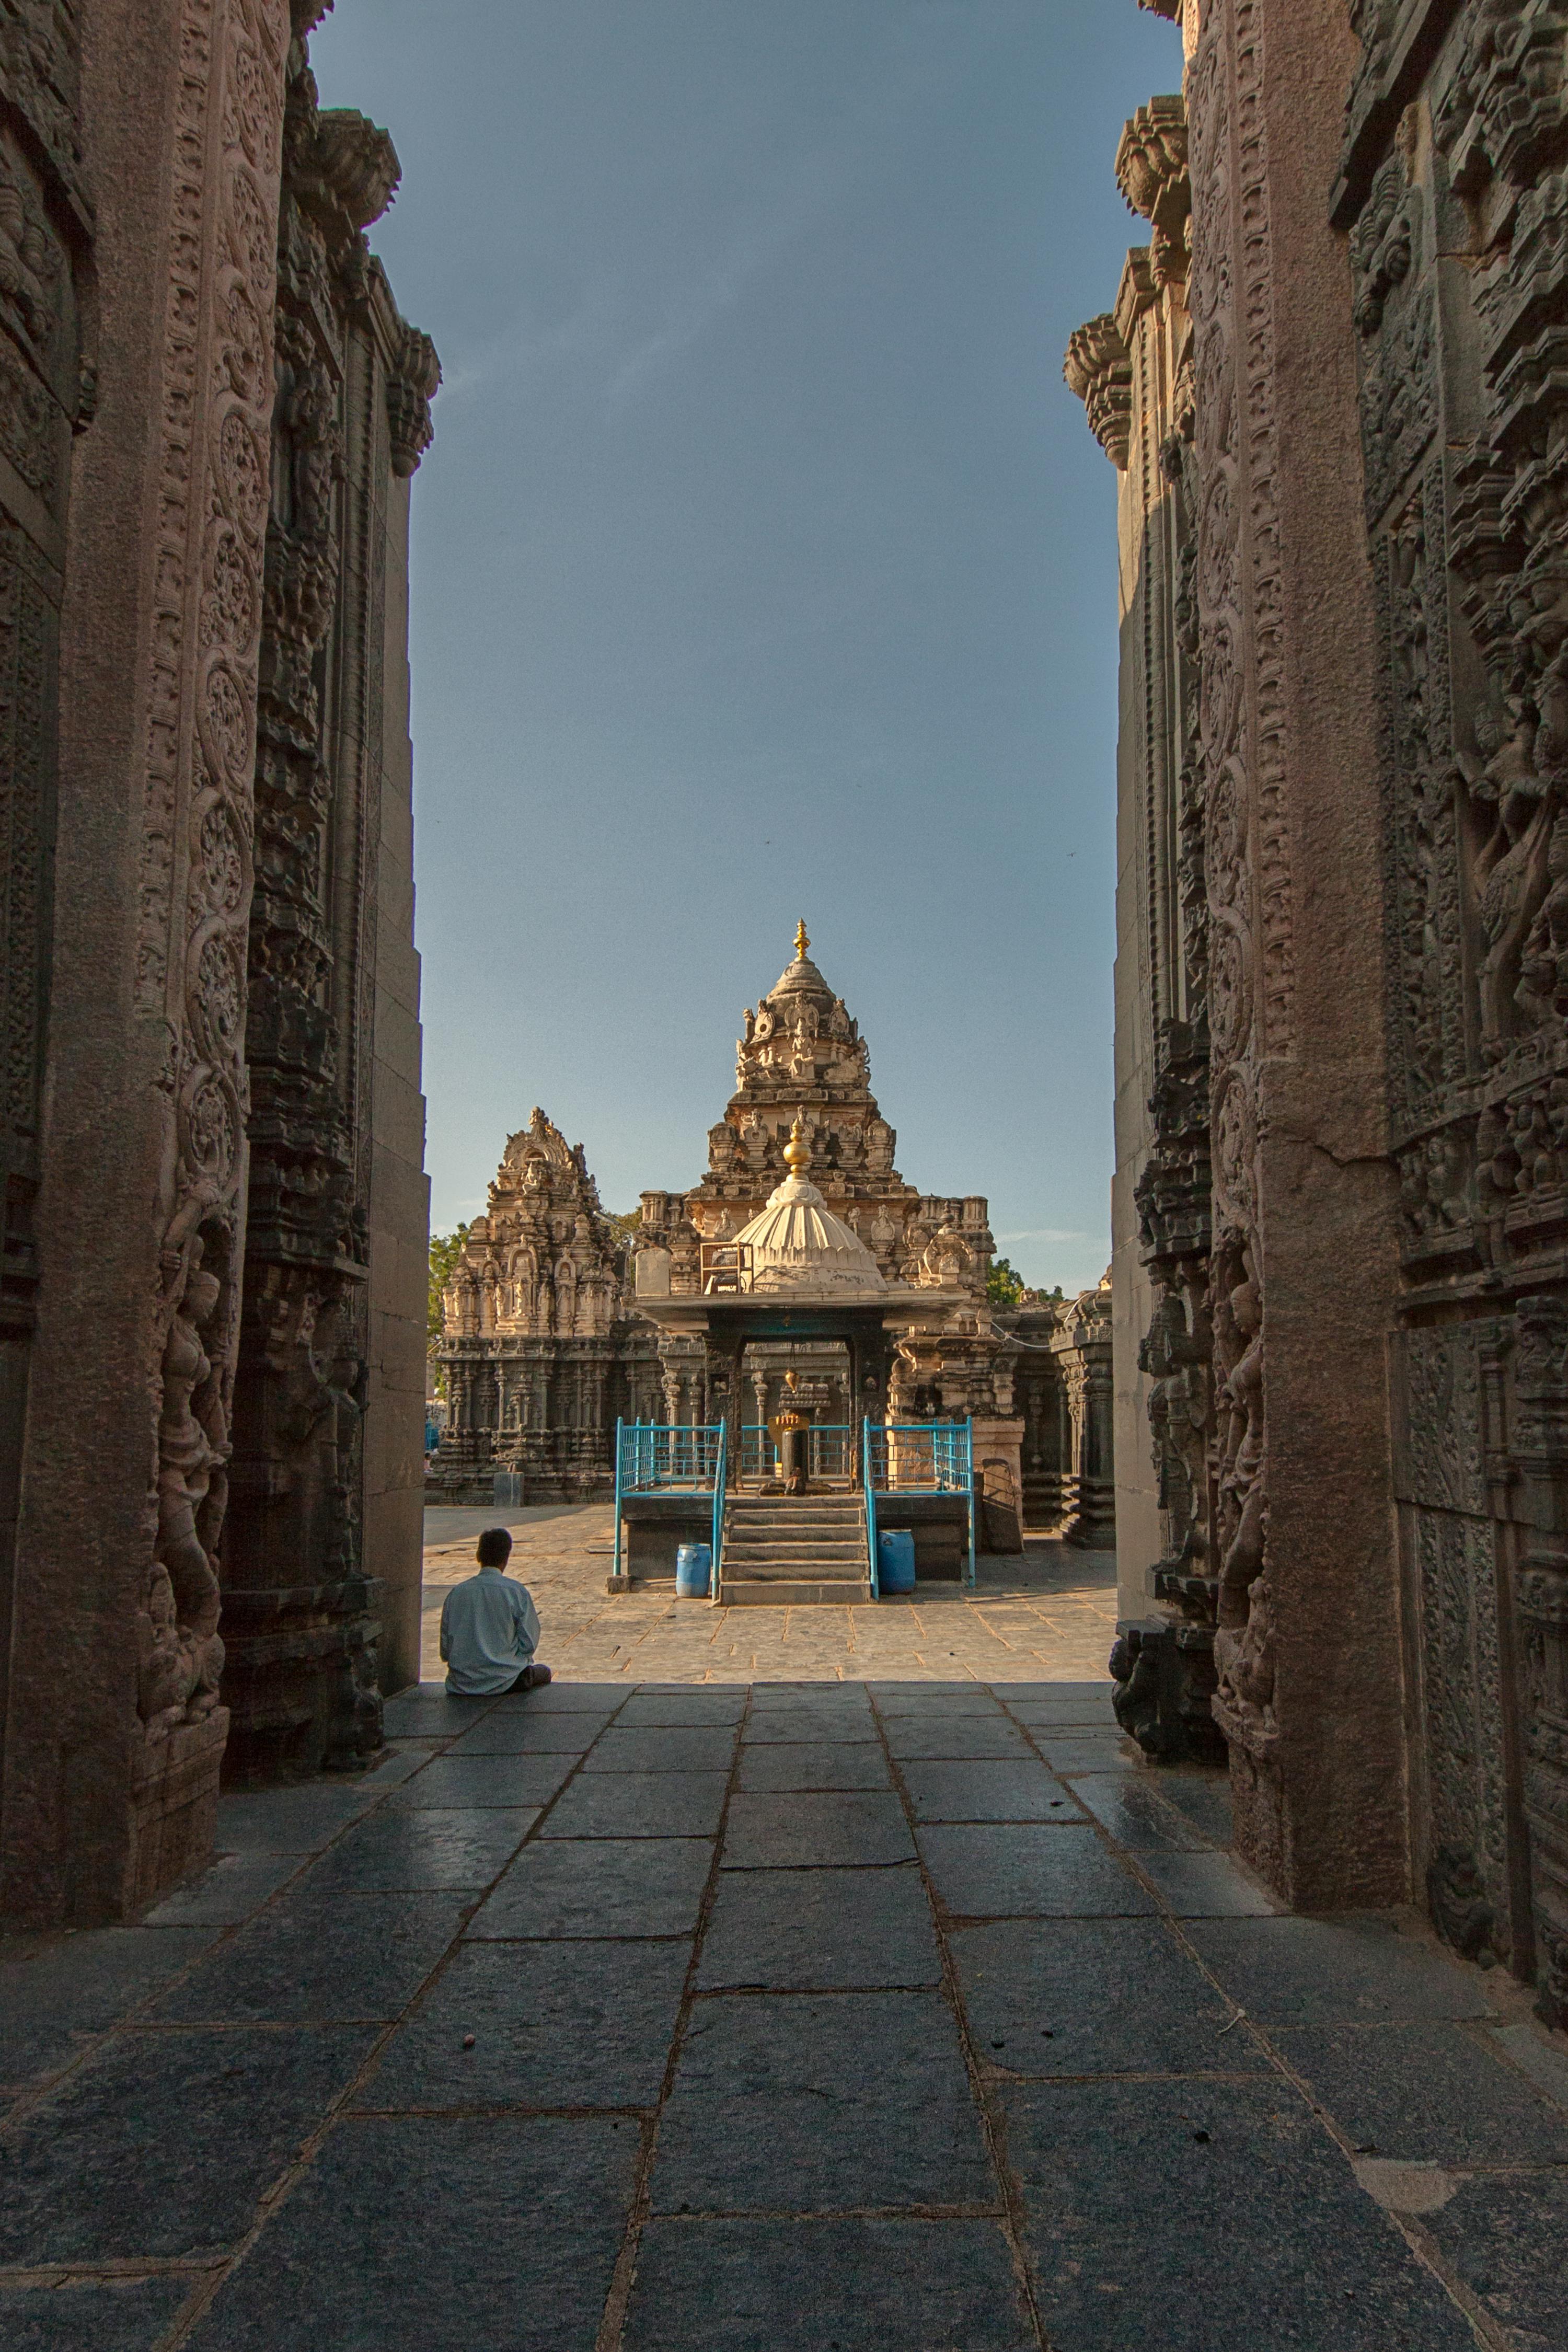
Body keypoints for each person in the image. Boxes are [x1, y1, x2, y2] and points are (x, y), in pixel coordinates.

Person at [439, 1527, 552, 1696]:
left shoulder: (457, 1593)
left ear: (479, 1556)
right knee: (545, 1672)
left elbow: (446, 1650)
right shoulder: (516, 1592)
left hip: (461, 1683)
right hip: (506, 1681)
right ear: (506, 1558)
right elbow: (528, 1644)